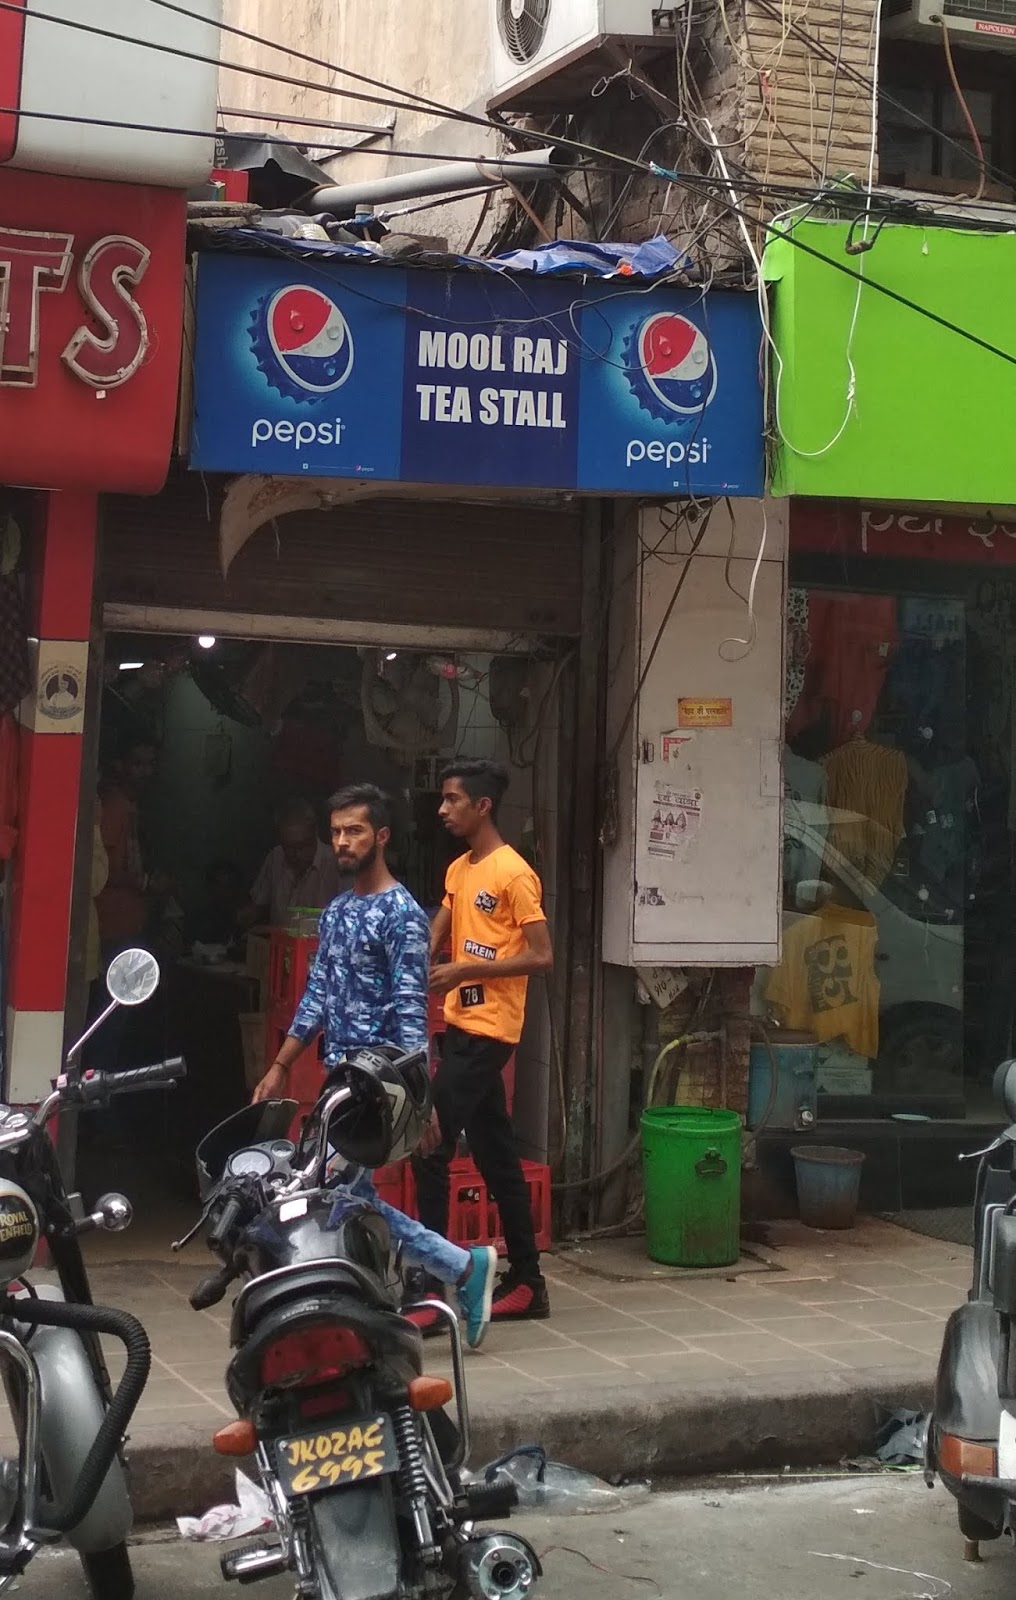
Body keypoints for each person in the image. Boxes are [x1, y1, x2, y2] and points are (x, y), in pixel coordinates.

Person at [252, 784, 496, 1348]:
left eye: (354, 831)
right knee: (345, 1193)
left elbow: (412, 1011)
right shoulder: (338, 911)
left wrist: (419, 1099)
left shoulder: (403, 916)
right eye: (336, 832)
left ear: (381, 837)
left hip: (380, 1084)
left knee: (335, 1191)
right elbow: (316, 994)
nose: (343, 841)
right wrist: (281, 1065)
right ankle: (459, 1268)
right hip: (340, 1082)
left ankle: (437, 1274)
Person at [413, 759, 554, 1325]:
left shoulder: (513, 874)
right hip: (460, 1026)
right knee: (497, 1156)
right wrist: (417, 958)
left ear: (483, 806)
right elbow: (438, 930)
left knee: (429, 1145)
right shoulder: (459, 870)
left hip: (490, 1031)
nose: (443, 810)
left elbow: (542, 956)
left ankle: (431, 1291)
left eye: (453, 800)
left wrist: (466, 969)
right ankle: (528, 1283)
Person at [241, 797, 341, 930]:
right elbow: (258, 904)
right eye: (290, 848)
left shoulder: (337, 864)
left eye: (304, 846)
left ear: (315, 831)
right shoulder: (275, 857)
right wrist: (247, 916)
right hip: (278, 941)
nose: (297, 854)